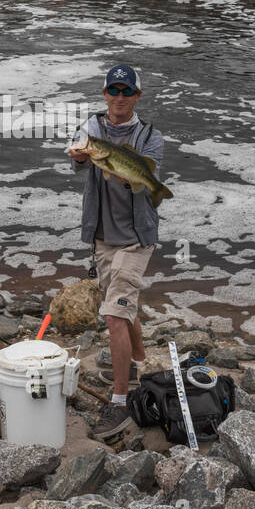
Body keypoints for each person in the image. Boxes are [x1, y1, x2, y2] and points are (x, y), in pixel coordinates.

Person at [67, 63, 166, 440]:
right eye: (114, 90)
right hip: (102, 237)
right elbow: (76, 156)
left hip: (137, 238)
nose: (120, 98)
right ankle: (138, 365)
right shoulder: (90, 129)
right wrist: (78, 156)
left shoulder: (151, 137)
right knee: (121, 305)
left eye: (127, 91)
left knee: (113, 315)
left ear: (137, 96)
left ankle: (121, 403)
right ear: (104, 94)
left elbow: (148, 183)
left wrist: (132, 177)